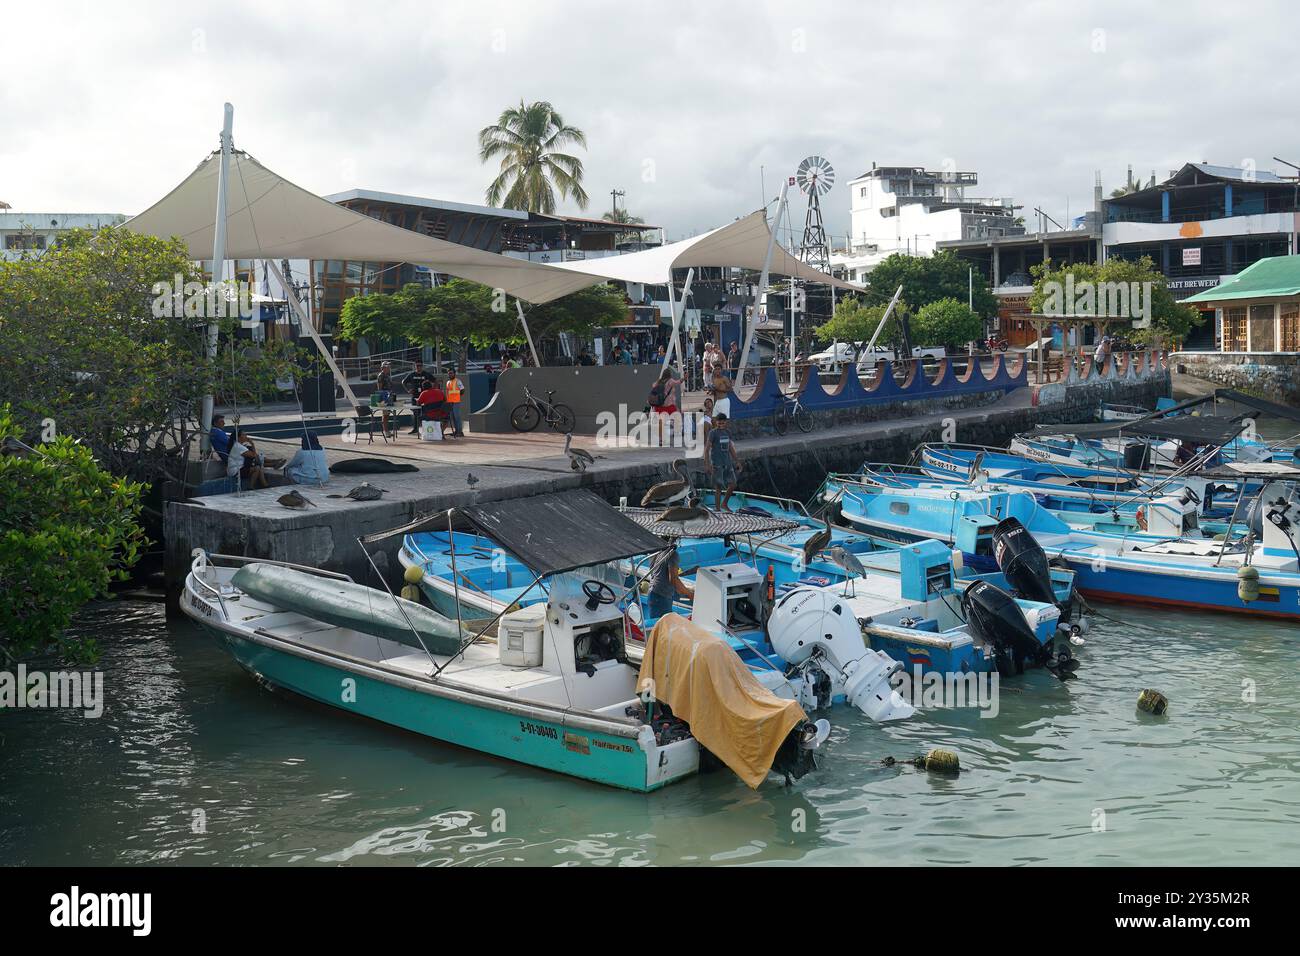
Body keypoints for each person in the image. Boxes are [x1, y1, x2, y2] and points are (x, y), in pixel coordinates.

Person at [647, 544, 694, 619]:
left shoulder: (656, 552)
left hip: (652, 594)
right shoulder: (672, 554)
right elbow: (673, 580)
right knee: (664, 627)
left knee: (657, 626)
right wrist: (690, 594)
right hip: (662, 597)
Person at [705, 412, 739, 511]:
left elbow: (730, 448)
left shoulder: (728, 432)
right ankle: (718, 508)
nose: (720, 425)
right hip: (717, 464)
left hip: (727, 463)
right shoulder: (713, 433)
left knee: (733, 484)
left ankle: (724, 504)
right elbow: (707, 449)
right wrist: (707, 465)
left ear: (726, 422)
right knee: (718, 487)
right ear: (716, 422)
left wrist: (737, 461)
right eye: (719, 423)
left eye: (722, 423)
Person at [402, 362, 431, 435]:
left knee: (425, 412)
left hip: (425, 396)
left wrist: (431, 389)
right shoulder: (412, 374)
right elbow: (403, 382)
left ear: (422, 366)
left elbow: (435, 380)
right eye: (417, 366)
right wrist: (408, 390)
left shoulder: (426, 374)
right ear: (415, 366)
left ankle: (426, 429)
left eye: (420, 366)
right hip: (415, 396)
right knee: (415, 413)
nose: (419, 367)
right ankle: (415, 429)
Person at [444, 369, 465, 438]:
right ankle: (456, 431)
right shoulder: (448, 382)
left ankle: (460, 432)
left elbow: (462, 390)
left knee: (457, 417)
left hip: (456, 402)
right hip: (450, 402)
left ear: (454, 374)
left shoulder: (458, 381)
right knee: (453, 417)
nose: (450, 374)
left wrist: (457, 397)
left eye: (451, 373)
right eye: (449, 373)